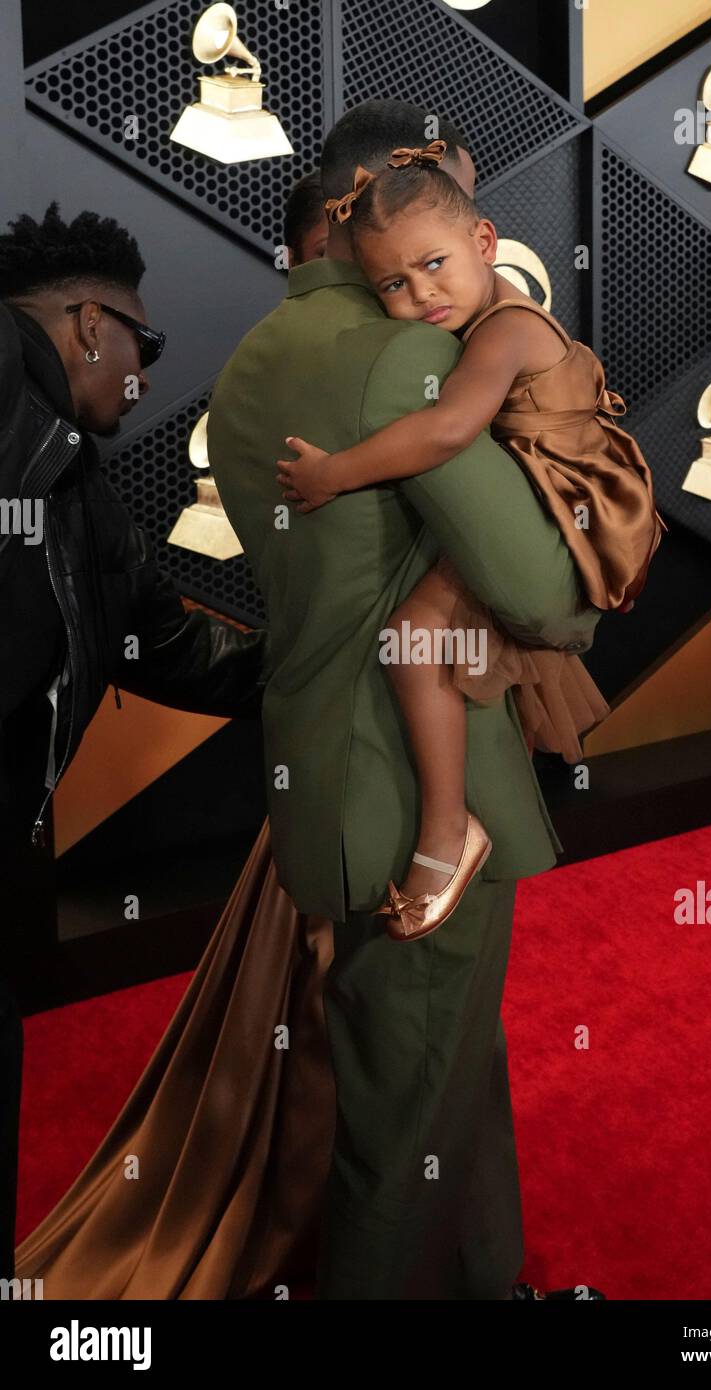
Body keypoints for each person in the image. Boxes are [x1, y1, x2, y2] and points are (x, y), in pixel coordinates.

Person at [206, 98, 609, 1300]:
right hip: (415, 808)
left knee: (440, 1073)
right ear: (361, 209)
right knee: (402, 1140)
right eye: (417, 213)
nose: (432, 273)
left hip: (324, 785)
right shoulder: (410, 357)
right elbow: (546, 596)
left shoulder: (245, 368)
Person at [277, 141, 665, 941]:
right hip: (529, 494)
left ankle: (448, 832)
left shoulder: (509, 326)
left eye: (434, 265)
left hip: (571, 508)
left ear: (485, 245)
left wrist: (335, 475)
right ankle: (453, 824)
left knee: (413, 635)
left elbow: (451, 428)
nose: (420, 294)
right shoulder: (462, 318)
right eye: (392, 283)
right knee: (419, 637)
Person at [0, 202, 267, 1283]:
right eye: (142, 344)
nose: (149, 373)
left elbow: (173, 646)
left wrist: (344, 651)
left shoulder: (78, 491)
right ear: (84, 323)